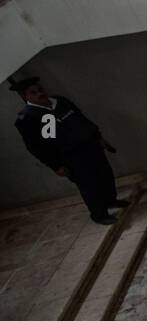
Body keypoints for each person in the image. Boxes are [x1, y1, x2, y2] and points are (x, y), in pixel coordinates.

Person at [11, 77, 128, 225]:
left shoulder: (60, 102)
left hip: (90, 146)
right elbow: (36, 147)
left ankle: (111, 200)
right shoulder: (28, 117)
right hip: (71, 157)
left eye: (40, 89)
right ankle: (99, 214)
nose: (39, 93)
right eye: (33, 92)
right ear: (25, 97)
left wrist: (98, 137)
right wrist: (55, 165)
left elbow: (81, 118)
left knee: (105, 175)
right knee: (89, 185)